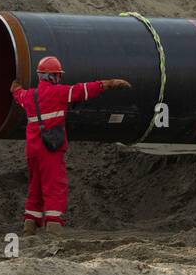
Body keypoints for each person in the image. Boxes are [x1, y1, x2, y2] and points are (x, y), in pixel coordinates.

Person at [9, 56, 130, 235]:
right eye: (57, 75)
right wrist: (108, 84)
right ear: (52, 77)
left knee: (35, 185)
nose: (59, 78)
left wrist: (15, 87)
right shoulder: (59, 93)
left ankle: (30, 224)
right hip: (50, 148)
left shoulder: (29, 96)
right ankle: (53, 225)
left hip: (32, 149)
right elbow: (83, 90)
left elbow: (18, 94)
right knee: (54, 185)